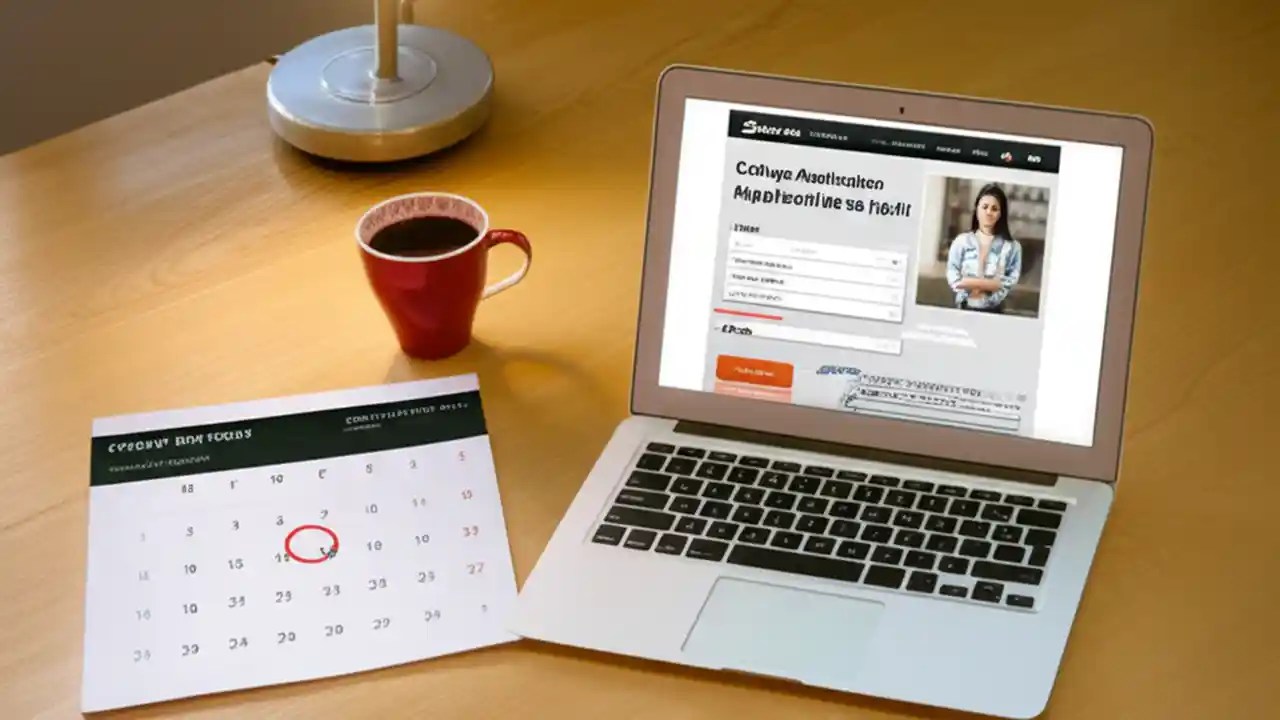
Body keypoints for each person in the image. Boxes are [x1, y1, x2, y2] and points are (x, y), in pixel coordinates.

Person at [945, 182, 1022, 313]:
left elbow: (1007, 283)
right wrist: (990, 284)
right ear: (977, 209)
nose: (989, 212)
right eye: (984, 207)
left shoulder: (1012, 247)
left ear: (1001, 214)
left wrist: (968, 282)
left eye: (994, 209)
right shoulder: (961, 241)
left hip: (994, 311)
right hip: (964, 307)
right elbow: (954, 277)